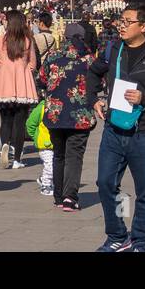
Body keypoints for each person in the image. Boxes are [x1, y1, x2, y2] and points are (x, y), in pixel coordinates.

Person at [87, 4, 145, 252]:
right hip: (114, 129)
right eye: (121, 20)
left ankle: (141, 241)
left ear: (144, 26)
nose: (122, 25)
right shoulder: (114, 49)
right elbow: (93, 73)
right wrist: (93, 99)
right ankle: (117, 234)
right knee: (106, 184)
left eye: (128, 21)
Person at [36, 24, 97, 211]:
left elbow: (42, 80)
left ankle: (58, 195)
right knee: (74, 156)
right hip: (80, 115)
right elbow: (99, 83)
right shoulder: (88, 60)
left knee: (59, 155)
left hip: (55, 113)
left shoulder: (53, 57)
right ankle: (70, 197)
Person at [0, 10, 39, 169]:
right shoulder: (28, 41)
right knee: (20, 123)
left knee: (5, 121)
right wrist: (23, 70)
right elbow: (33, 64)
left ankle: (5, 144)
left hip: (4, 86)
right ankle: (17, 159)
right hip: (23, 86)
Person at [24, 99, 54, 196]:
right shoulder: (42, 107)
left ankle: (43, 178)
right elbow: (30, 124)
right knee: (50, 165)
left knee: (56, 165)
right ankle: (45, 186)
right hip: (45, 145)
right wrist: (36, 137)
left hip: (57, 143)